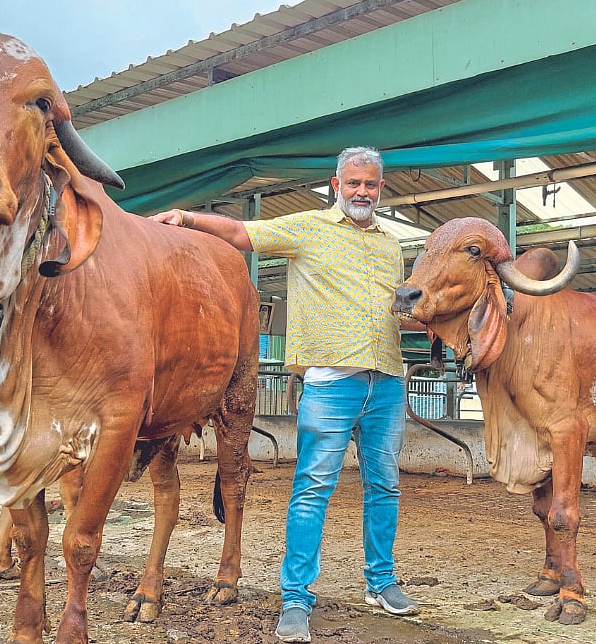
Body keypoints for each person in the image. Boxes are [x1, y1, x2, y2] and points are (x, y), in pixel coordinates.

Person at [151, 146, 419, 643]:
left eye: (372, 185)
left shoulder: (391, 244)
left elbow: (396, 307)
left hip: (386, 380)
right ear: (335, 186)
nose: (363, 192)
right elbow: (239, 234)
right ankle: (296, 598)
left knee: (385, 485)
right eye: (354, 183)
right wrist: (188, 217)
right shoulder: (308, 228)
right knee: (313, 489)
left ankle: (382, 582)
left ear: (382, 189)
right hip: (330, 385)